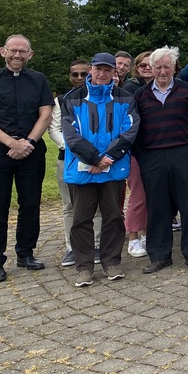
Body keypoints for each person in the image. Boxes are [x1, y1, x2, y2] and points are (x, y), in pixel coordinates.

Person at [0, 35, 54, 283]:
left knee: (30, 205)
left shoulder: (39, 80)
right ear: (3, 52)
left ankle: (26, 253)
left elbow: (46, 114)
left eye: (23, 51)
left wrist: (28, 143)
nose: (17, 55)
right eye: (13, 50)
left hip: (31, 151)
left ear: (30, 54)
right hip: (0, 153)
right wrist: (11, 143)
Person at [61, 53, 139, 287]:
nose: (103, 74)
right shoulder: (72, 98)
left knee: (114, 217)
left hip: (113, 168)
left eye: (108, 70)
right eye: (98, 69)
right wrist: (94, 159)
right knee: (81, 219)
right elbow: (70, 134)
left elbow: (130, 130)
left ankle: (111, 261)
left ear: (114, 72)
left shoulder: (125, 97)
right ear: (91, 70)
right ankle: (84, 266)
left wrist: (107, 158)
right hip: (83, 169)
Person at [132, 46, 188, 273]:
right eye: (158, 67)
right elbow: (135, 131)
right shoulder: (141, 95)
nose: (163, 71)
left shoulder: (187, 91)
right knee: (157, 208)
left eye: (167, 67)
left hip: (184, 153)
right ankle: (160, 255)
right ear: (151, 69)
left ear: (174, 68)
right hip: (153, 156)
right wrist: (143, 158)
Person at [49, 59, 100, 268]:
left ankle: (96, 245)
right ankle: (72, 247)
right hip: (68, 159)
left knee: (96, 205)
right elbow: (54, 130)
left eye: (82, 74)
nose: (79, 78)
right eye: (74, 74)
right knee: (70, 205)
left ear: (89, 73)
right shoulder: (60, 100)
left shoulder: (99, 97)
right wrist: (74, 149)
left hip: (97, 160)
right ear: (69, 76)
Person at [122, 50, 153, 257]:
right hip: (135, 150)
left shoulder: (163, 87)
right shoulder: (130, 89)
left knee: (153, 196)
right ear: (137, 68)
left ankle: (145, 234)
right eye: (143, 65)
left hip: (156, 150)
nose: (148, 68)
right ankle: (133, 237)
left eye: (152, 64)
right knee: (139, 195)